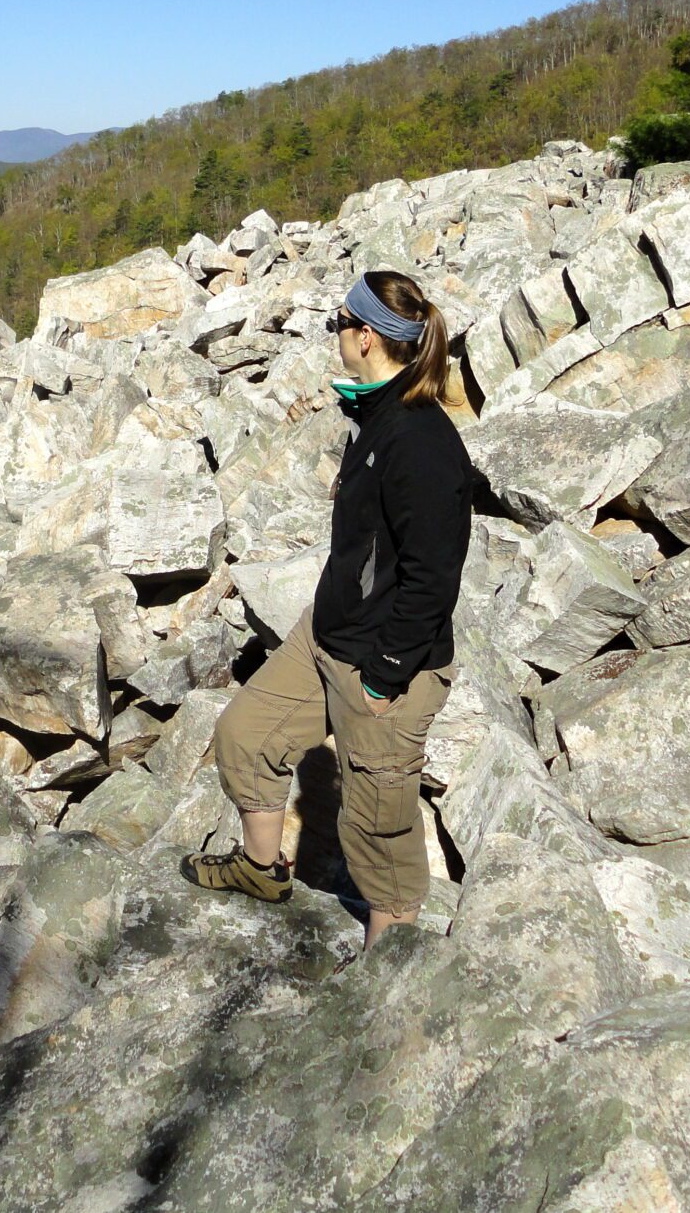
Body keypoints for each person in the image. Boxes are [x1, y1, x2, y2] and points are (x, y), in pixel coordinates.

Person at [181, 267, 473, 946]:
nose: (334, 333)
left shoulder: (421, 443)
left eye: (339, 322)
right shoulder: (377, 410)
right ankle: (261, 870)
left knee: (376, 839)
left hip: (382, 667)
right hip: (329, 636)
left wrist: (384, 675)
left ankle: (383, 983)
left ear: (367, 337)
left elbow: (434, 578)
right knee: (245, 737)